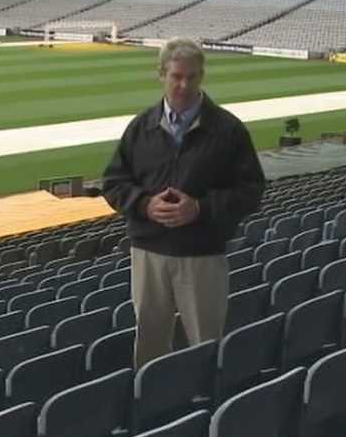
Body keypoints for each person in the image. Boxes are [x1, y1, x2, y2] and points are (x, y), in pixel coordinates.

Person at [101, 37, 266, 370]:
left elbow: (252, 190)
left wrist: (200, 208)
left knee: (206, 342)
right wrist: (145, 204)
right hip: (149, 254)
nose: (184, 85)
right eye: (176, 76)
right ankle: (151, 408)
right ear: (161, 75)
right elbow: (113, 183)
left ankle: (205, 408)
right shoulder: (141, 127)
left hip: (202, 254)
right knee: (150, 341)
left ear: (201, 76)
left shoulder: (228, 129)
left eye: (191, 77)